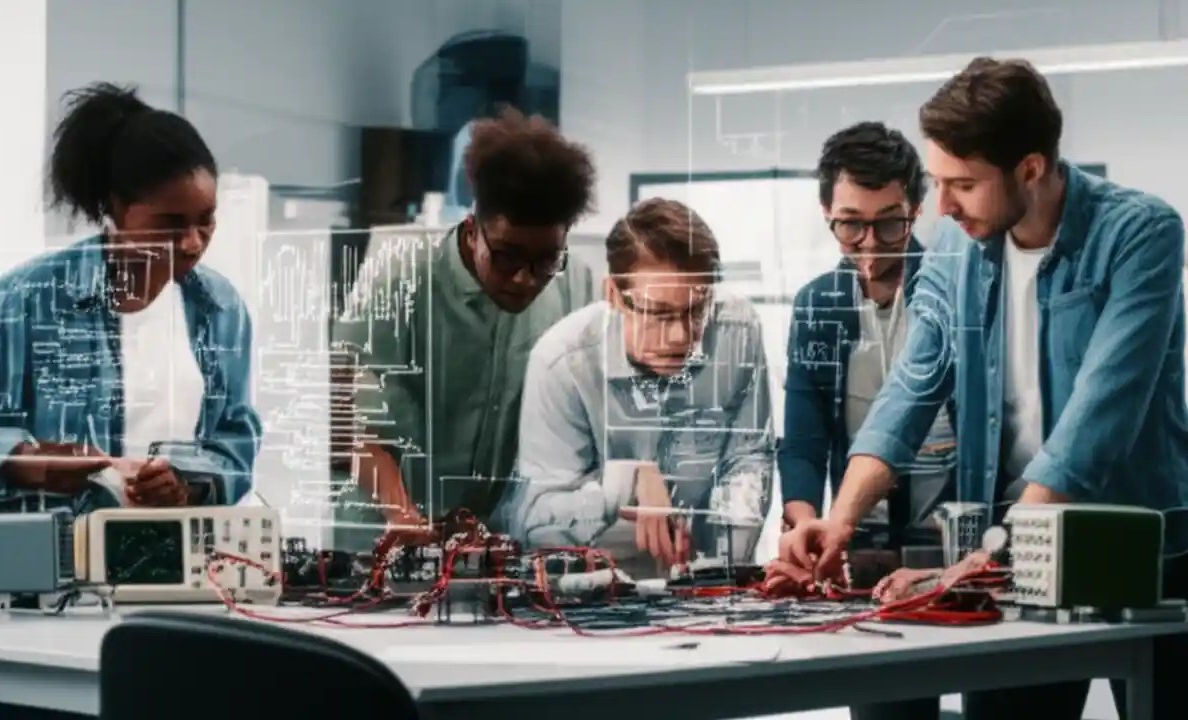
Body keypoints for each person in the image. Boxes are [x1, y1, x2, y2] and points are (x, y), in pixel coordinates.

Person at [778, 57, 1188, 719]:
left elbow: (1098, 419)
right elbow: (911, 389)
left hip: (1138, 553)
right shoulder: (953, 249)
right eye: (938, 183)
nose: (942, 206)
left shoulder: (1140, 234)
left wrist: (990, 556)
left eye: (962, 184)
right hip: (1009, 555)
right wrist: (841, 517)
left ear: (1029, 169)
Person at [0, 84, 261, 717]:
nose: (194, 242)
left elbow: (235, 441)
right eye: (172, 223)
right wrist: (46, 461)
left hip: (168, 598)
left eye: (207, 220)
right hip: (39, 605)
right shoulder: (27, 298)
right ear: (116, 208)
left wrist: (190, 488)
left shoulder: (219, 308)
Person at [332, 107, 597, 547]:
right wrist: (403, 516)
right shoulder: (399, 283)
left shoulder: (577, 286)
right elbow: (353, 426)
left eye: (546, 260)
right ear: (473, 231)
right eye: (508, 255)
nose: (525, 278)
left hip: (487, 543)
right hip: (382, 533)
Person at [775, 123, 955, 720]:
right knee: (888, 709)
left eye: (890, 222)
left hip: (950, 542)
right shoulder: (817, 305)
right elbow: (803, 439)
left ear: (917, 210)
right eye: (851, 223)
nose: (871, 244)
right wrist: (805, 522)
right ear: (826, 211)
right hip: (863, 543)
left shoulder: (954, 289)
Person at [507, 198, 774, 577]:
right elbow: (535, 519)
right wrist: (628, 480)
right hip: (597, 596)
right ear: (613, 295)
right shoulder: (562, 362)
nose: (682, 336)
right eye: (659, 312)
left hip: (706, 587)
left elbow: (749, 459)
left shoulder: (738, 330)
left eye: (696, 310)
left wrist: (725, 565)